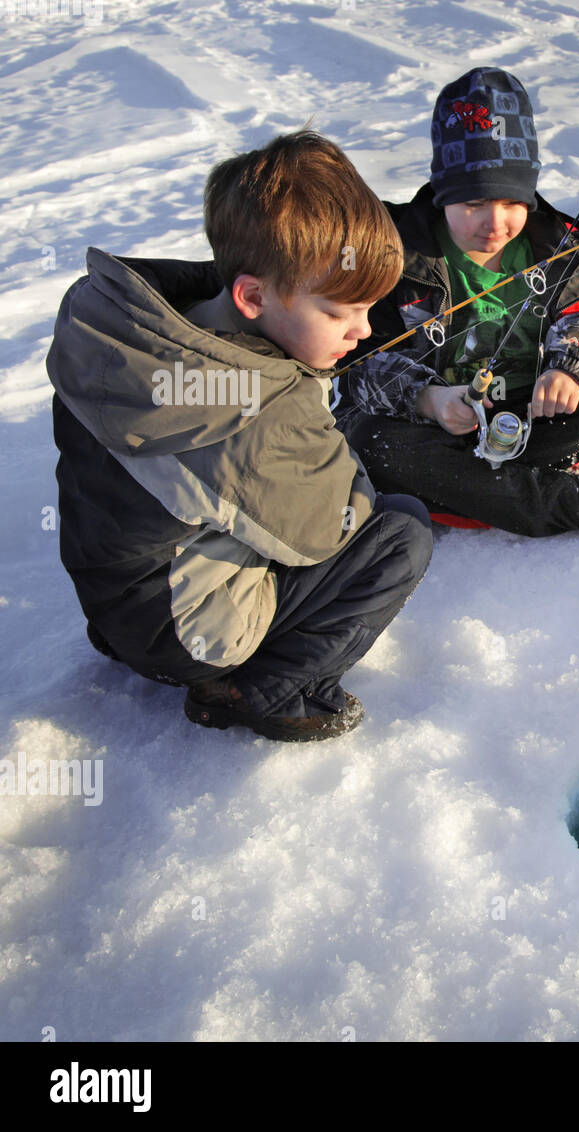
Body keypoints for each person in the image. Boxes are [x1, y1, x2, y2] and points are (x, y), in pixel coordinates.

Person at [48, 130, 434, 742]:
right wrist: (312, 402)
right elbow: (327, 530)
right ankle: (262, 693)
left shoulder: (131, 332)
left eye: (368, 310)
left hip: (118, 607)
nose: (363, 330)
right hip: (187, 636)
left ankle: (161, 646)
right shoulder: (252, 402)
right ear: (252, 296)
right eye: (340, 313)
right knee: (400, 532)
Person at [336, 67, 579, 537]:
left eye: (511, 202)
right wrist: (427, 400)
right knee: (372, 441)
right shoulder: (392, 253)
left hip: (529, 426)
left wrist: (574, 366)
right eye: (472, 204)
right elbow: (356, 365)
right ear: (442, 193)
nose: (494, 222)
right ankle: (570, 502)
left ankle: (470, 494)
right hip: (436, 431)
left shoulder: (563, 252)